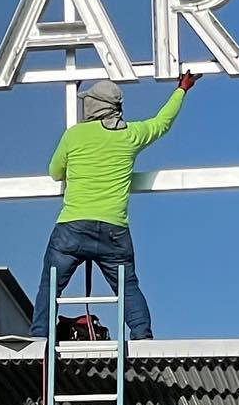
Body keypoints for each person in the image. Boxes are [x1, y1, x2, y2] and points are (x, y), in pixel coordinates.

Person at [29, 72, 200, 340]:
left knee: (50, 285)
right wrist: (182, 89)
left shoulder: (75, 135)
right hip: (114, 231)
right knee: (128, 286)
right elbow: (162, 123)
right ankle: (142, 335)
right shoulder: (131, 135)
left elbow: (55, 171)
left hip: (72, 228)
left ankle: (39, 336)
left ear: (93, 106)